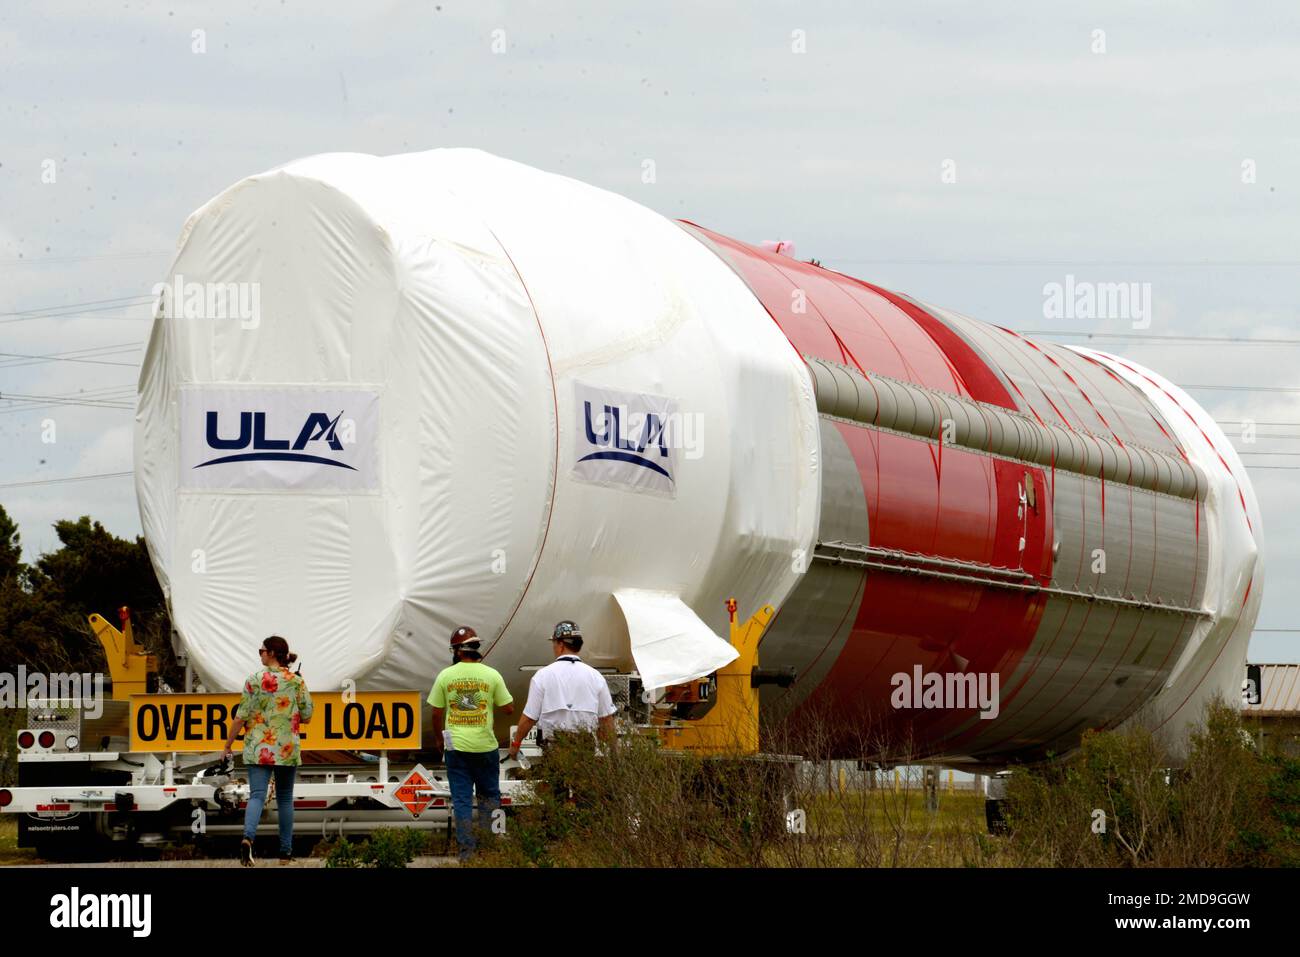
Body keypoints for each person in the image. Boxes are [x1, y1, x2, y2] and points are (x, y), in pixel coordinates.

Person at [223, 635, 313, 867]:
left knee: (256, 796)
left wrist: (227, 744)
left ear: (272, 653)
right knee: (284, 799)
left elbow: (240, 716)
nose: (260, 654)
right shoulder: (296, 681)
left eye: (261, 650)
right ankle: (285, 853)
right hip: (286, 748)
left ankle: (247, 838)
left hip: (258, 747)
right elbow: (308, 716)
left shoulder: (253, 680)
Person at [428, 625, 514, 861]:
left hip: (456, 748)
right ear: (476, 648)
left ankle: (467, 853)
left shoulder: (445, 676)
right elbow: (508, 708)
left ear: (456, 651)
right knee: (490, 797)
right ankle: (490, 848)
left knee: (462, 800)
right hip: (486, 747)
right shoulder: (492, 674)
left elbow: (436, 713)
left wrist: (438, 739)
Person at [507, 620, 616, 759]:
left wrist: (516, 744)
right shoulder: (596, 677)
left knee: (557, 781)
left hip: (554, 749)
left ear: (560, 644)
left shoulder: (543, 676)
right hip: (585, 749)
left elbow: (529, 718)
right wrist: (614, 753)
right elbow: (606, 719)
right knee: (582, 781)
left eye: (554, 643)